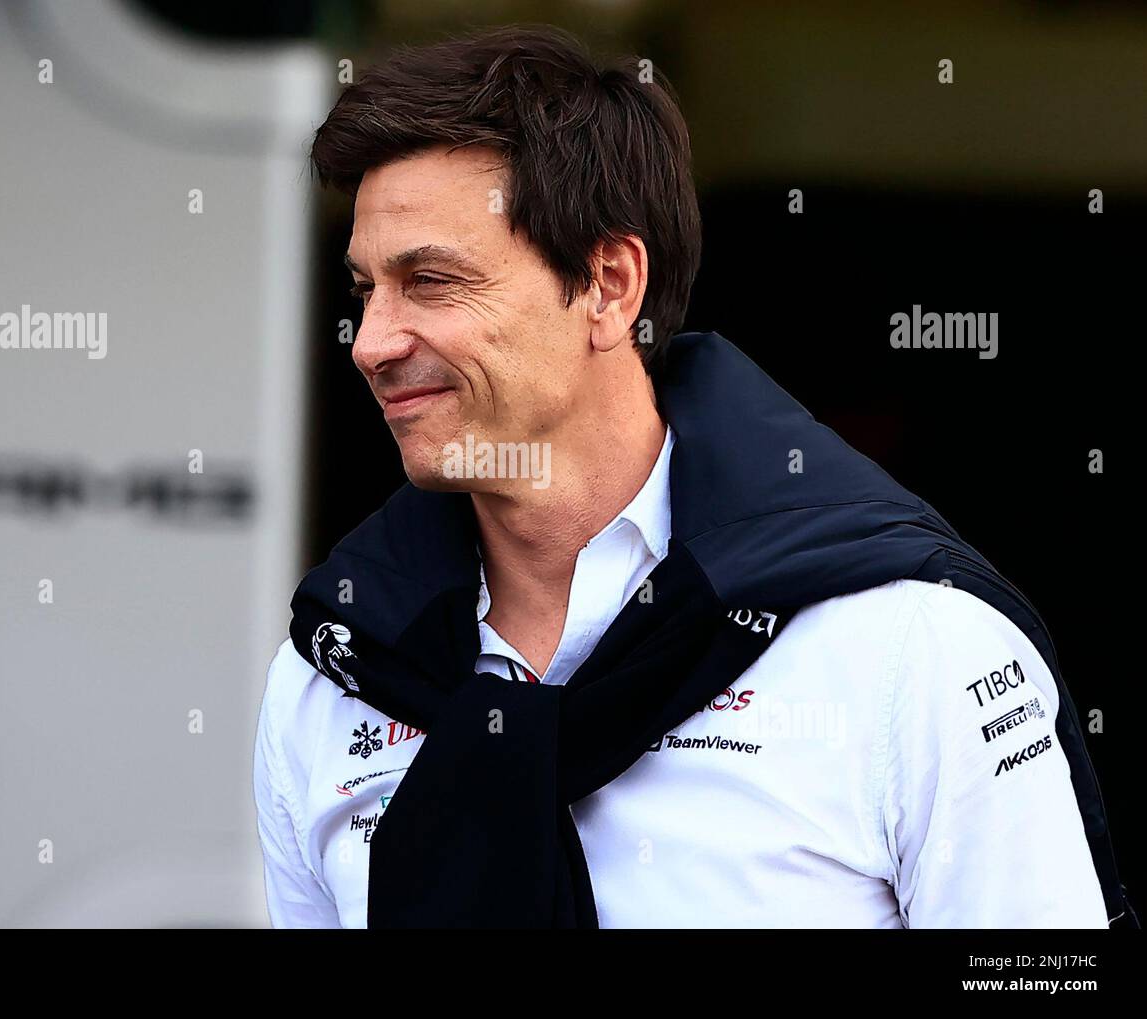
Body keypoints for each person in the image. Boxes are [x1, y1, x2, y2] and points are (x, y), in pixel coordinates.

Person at [252, 25, 1132, 928]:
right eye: (365, 291)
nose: (371, 342)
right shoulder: (328, 678)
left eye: (430, 281)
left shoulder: (913, 648)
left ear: (608, 284)